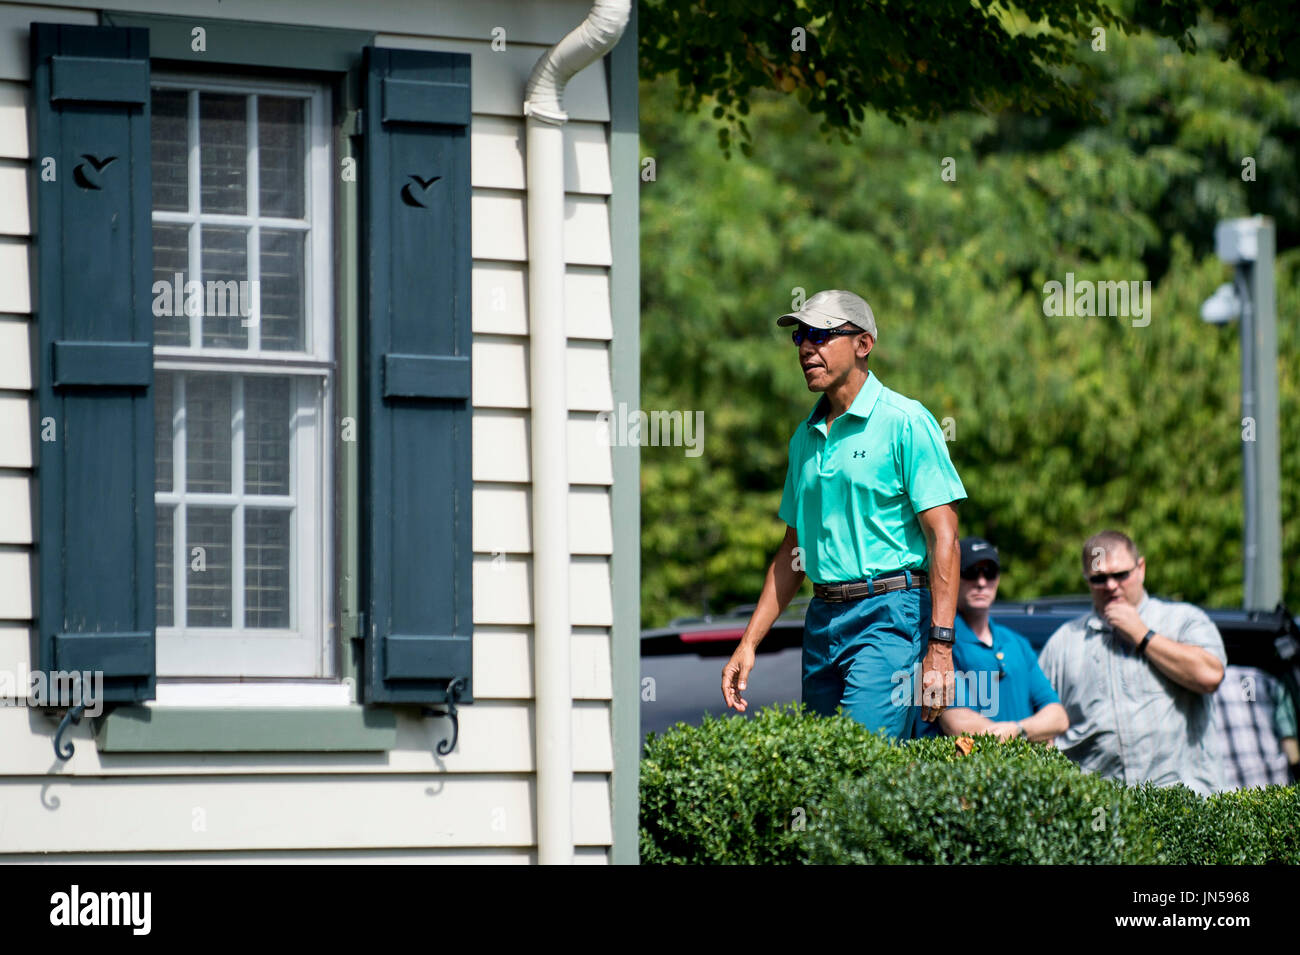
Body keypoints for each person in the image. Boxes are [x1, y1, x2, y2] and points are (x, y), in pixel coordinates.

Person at [720, 289, 966, 738]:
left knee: (860, 764)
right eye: (800, 336)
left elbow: (944, 539)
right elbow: (793, 551)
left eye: (821, 334)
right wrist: (748, 642)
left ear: (863, 344)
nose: (807, 348)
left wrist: (941, 647)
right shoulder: (804, 438)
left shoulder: (905, 422)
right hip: (821, 618)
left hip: (889, 615)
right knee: (825, 773)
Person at [1038, 530, 1227, 795]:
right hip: (1100, 809)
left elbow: (1210, 676)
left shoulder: (1183, 620)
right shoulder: (1063, 643)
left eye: (1121, 575)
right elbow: (1042, 729)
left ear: (1141, 569)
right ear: (1087, 580)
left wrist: (1141, 634)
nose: (1111, 585)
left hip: (1184, 806)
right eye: (1099, 578)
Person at [915, 537, 1069, 742]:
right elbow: (957, 723)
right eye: (970, 572)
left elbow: (1058, 718)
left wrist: (1019, 731)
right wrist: (1030, 738)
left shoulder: (1016, 642)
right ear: (953, 577)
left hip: (1020, 769)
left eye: (989, 573)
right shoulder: (938, 644)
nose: (981, 582)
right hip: (966, 771)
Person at [1213, 663, 1296, 789]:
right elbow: (1292, 752)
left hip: (1228, 791)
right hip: (1275, 787)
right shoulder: (1270, 683)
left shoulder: (1205, 688)